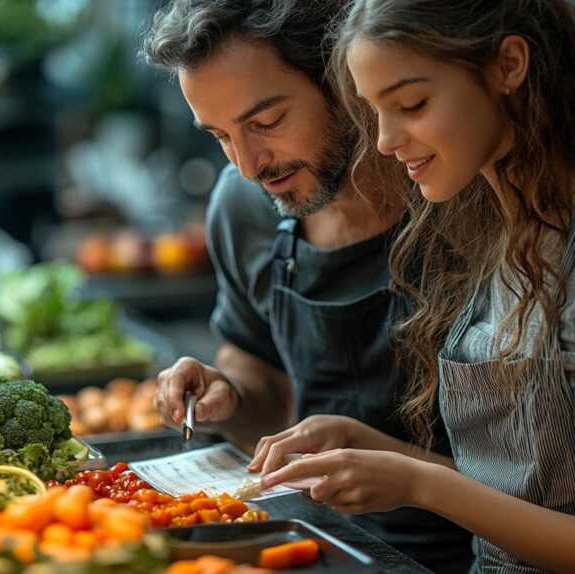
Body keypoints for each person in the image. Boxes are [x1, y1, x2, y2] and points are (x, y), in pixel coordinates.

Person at [253, 0, 575, 571]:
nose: (383, 141)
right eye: (375, 112)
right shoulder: (492, 233)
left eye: (411, 104)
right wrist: (369, 446)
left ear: (508, 65)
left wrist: (420, 483)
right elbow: (530, 494)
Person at [141, 1, 473, 571]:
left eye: (265, 123)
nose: (248, 164)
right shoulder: (244, 208)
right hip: (313, 545)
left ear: (346, 82)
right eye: (221, 135)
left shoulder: (460, 199)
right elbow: (264, 386)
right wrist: (229, 397)